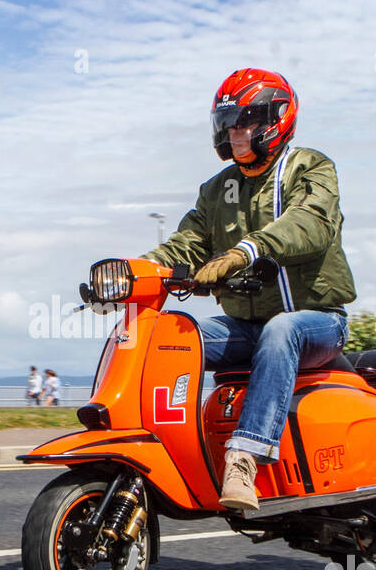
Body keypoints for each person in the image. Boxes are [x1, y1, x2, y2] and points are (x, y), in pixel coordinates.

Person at [139, 68, 356, 511]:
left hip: (316, 323)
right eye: (229, 124)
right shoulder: (219, 189)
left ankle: (244, 459)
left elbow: (309, 225)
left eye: (245, 122)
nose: (235, 132)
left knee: (282, 329)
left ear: (275, 120)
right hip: (244, 325)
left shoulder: (311, 167)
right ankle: (155, 445)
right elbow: (189, 241)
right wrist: (139, 268)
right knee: (173, 336)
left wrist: (245, 251)